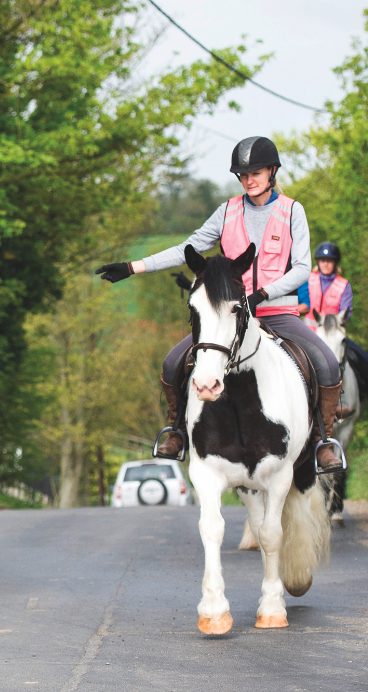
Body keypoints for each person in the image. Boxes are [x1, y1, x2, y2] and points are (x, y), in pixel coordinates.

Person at [94, 136, 344, 469]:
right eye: (242, 175)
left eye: (255, 172)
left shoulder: (292, 211)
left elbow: (301, 268)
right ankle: (177, 431)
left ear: (272, 171)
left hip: (277, 311)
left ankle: (321, 441)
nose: (248, 180)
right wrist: (132, 267)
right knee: (172, 364)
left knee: (326, 363)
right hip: (229, 314)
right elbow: (188, 247)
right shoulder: (227, 212)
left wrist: (263, 294)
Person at [301, 241, 368, 418]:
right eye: (322, 260)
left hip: (334, 335)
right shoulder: (307, 279)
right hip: (308, 332)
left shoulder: (343, 284)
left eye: (330, 260)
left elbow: (346, 310)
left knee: (367, 362)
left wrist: (336, 321)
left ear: (336, 263)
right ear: (317, 262)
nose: (325, 263)